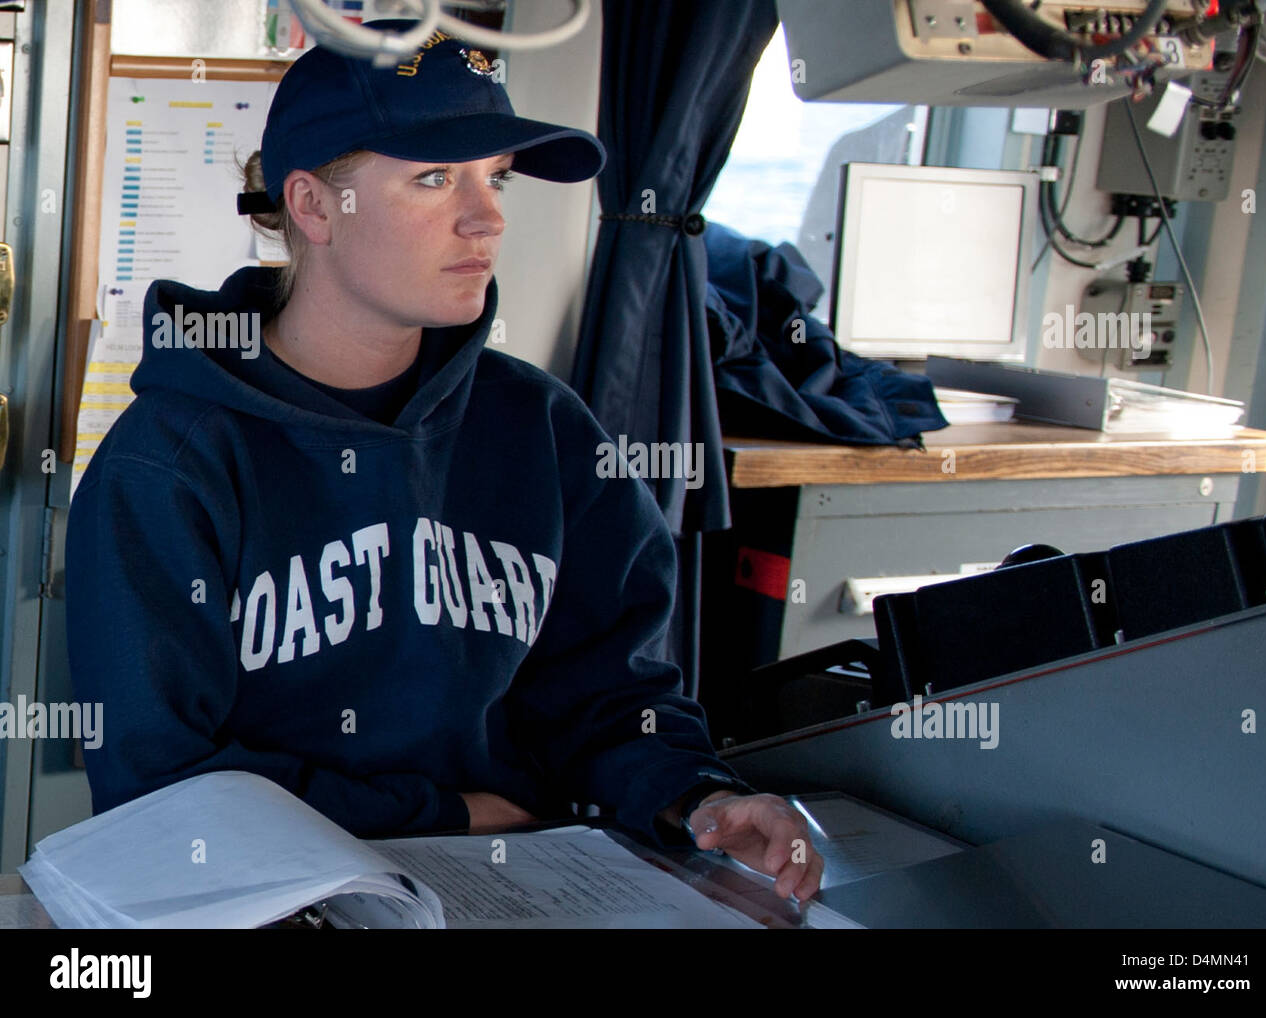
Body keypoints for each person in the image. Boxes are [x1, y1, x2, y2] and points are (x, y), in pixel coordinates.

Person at [66, 20, 822, 904]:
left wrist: (699, 797)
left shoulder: (546, 431)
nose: (488, 216)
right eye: (434, 178)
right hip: (275, 906)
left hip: (523, 888)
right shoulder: (169, 467)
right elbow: (158, 784)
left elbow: (613, 700)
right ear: (313, 207)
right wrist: (448, 814)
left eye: (494, 177)